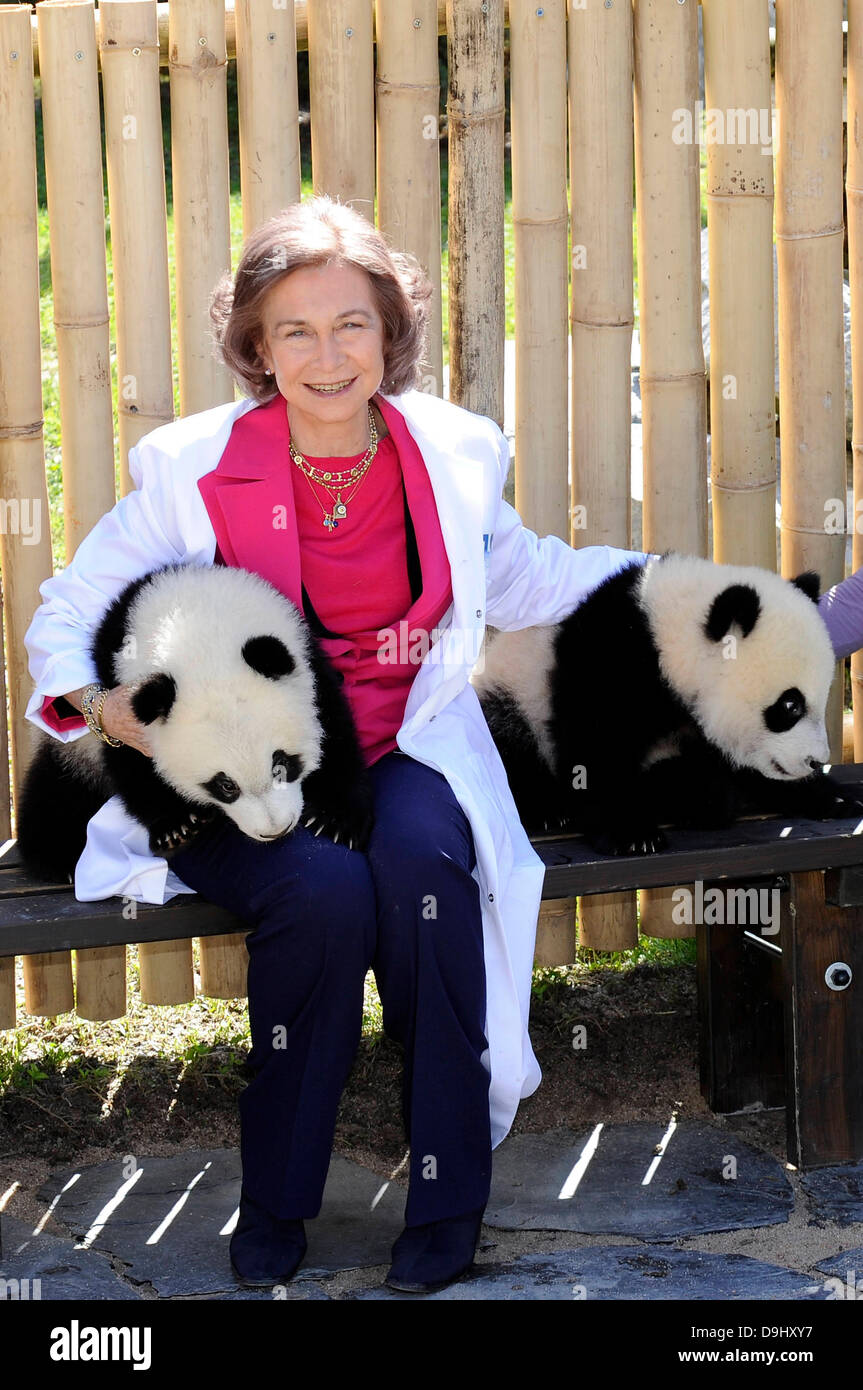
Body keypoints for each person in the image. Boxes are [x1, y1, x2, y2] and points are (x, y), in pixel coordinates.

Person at [23, 196, 646, 1293]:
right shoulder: (192, 469)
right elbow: (68, 611)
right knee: (319, 893)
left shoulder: (449, 452)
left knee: (420, 872)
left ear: (388, 332)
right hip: (239, 774)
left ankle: (447, 1196)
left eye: (351, 324)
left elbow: (528, 576)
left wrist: (670, 587)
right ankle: (278, 1201)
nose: (326, 354)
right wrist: (105, 709)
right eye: (295, 330)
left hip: (403, 743)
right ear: (257, 347)